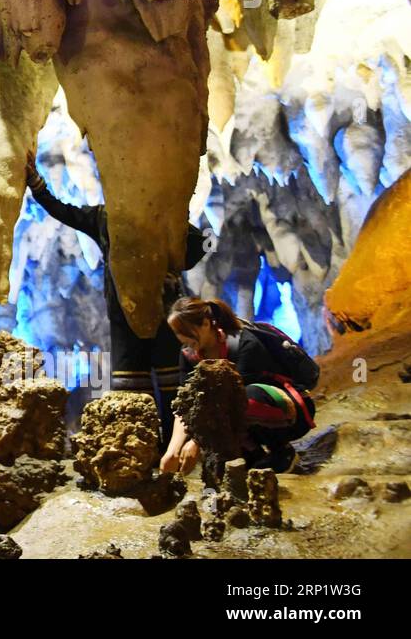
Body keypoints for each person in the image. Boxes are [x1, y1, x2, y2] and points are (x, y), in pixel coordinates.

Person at [25, 152, 206, 442]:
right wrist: (37, 186)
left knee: (174, 388)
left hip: (164, 316)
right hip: (125, 315)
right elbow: (63, 211)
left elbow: (204, 243)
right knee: (132, 391)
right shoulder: (104, 218)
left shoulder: (159, 215)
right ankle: (140, 451)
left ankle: (176, 449)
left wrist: (178, 243)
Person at [161, 297, 316, 475]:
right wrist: (172, 450)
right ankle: (253, 454)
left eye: (184, 332)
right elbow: (185, 405)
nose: (181, 339)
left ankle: (281, 450)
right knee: (212, 410)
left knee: (244, 399)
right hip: (239, 414)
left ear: (205, 323)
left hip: (291, 412)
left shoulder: (245, 344)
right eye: (176, 333)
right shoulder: (189, 355)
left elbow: (231, 402)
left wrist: (197, 441)